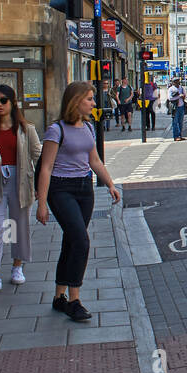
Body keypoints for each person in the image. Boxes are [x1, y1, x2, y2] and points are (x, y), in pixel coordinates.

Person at [35, 82, 120, 322]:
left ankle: (58, 297)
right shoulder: (56, 130)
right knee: (81, 242)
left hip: (85, 188)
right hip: (60, 190)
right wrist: (42, 203)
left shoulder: (88, 128)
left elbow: (94, 160)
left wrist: (111, 184)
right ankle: (74, 300)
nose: (94, 103)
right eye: (90, 99)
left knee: (72, 241)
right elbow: (46, 168)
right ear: (76, 101)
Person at [0, 84, 41, 291]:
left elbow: (38, 155)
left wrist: (41, 185)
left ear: (13, 103)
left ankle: (17, 266)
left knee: (17, 226)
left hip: (20, 181)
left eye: (3, 100)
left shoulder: (26, 129)